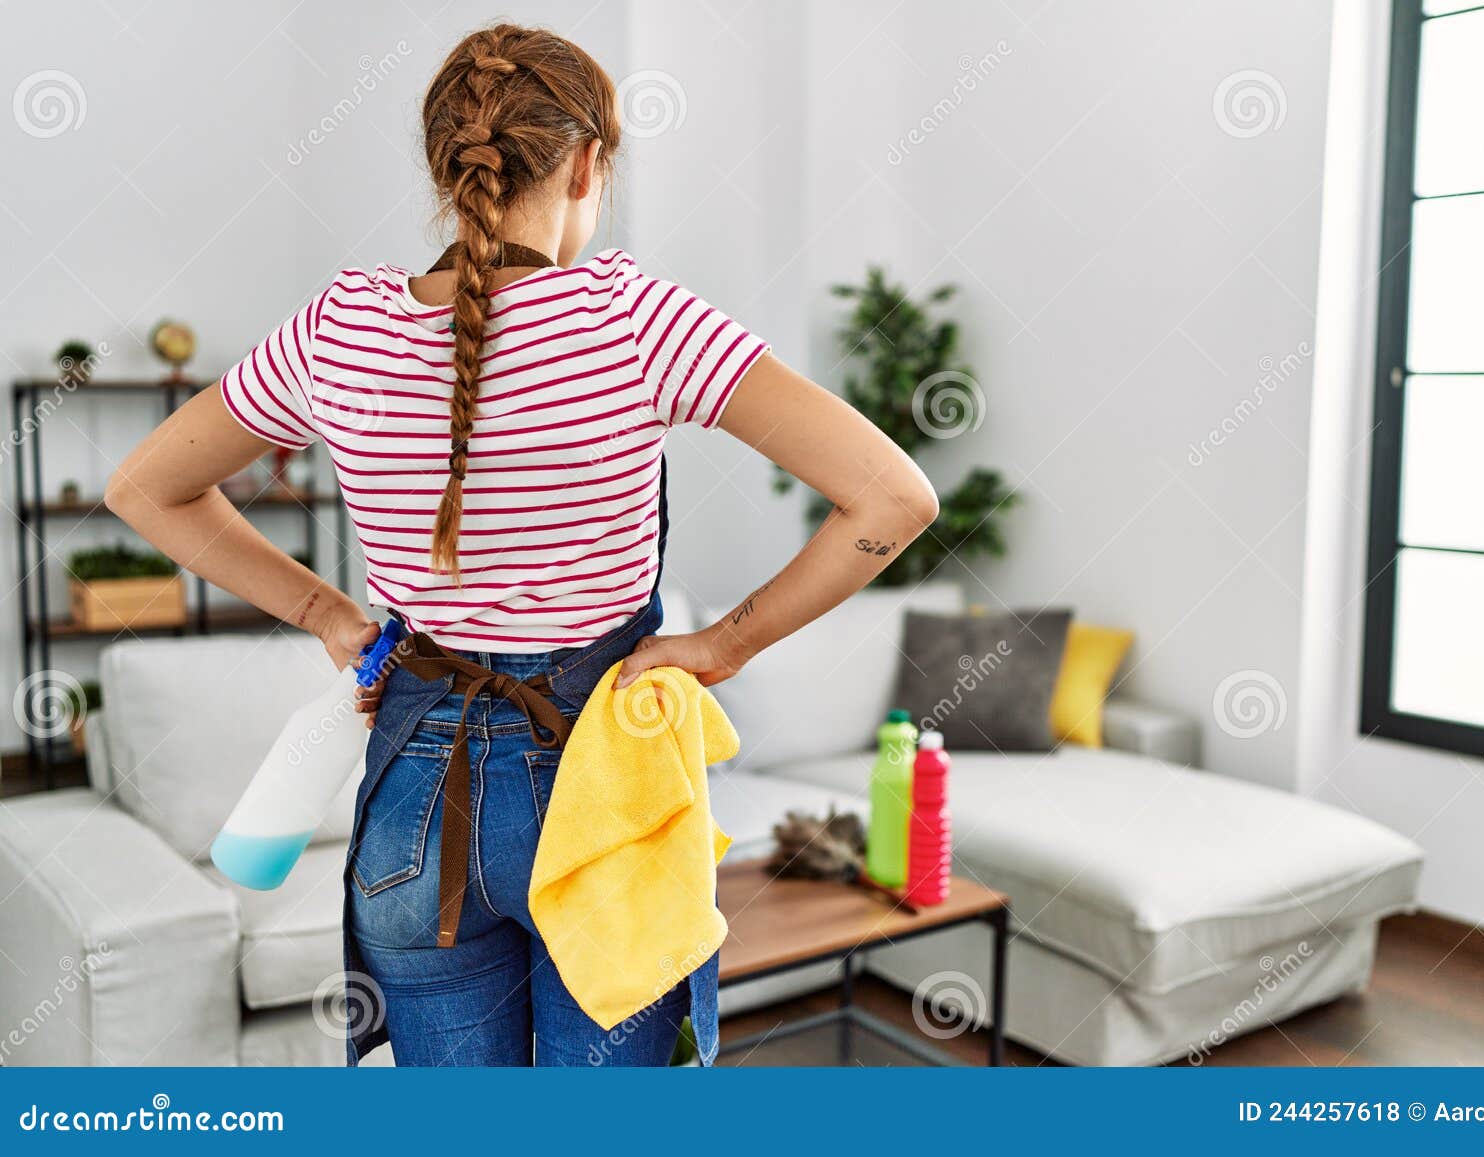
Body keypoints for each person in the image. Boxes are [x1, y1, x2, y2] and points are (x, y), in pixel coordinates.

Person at [108, 22, 936, 1067]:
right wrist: (723, 645)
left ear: (447, 167)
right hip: (602, 794)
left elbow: (146, 487)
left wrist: (328, 611)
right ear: (589, 162)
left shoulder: (338, 328)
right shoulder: (635, 318)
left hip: (414, 807)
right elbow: (892, 497)